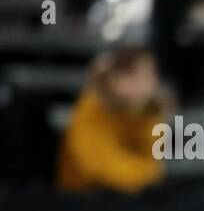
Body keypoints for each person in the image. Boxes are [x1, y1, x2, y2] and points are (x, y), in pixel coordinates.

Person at [57, 46, 169, 194]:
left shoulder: (146, 112)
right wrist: (146, 176)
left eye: (148, 77)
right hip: (82, 198)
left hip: (132, 198)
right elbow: (98, 168)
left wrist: (148, 114)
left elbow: (154, 163)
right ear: (113, 78)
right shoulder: (92, 106)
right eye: (133, 76)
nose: (144, 86)